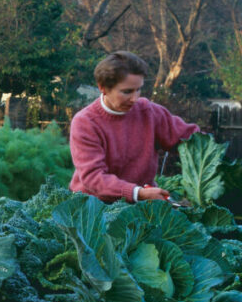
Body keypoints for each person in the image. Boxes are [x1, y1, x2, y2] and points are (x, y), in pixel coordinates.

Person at [68, 51, 201, 202]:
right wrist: (138, 193)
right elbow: (94, 178)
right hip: (93, 205)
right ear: (103, 88)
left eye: (138, 89)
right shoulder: (85, 122)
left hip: (142, 201)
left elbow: (193, 140)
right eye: (127, 92)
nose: (135, 98)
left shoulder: (150, 112)